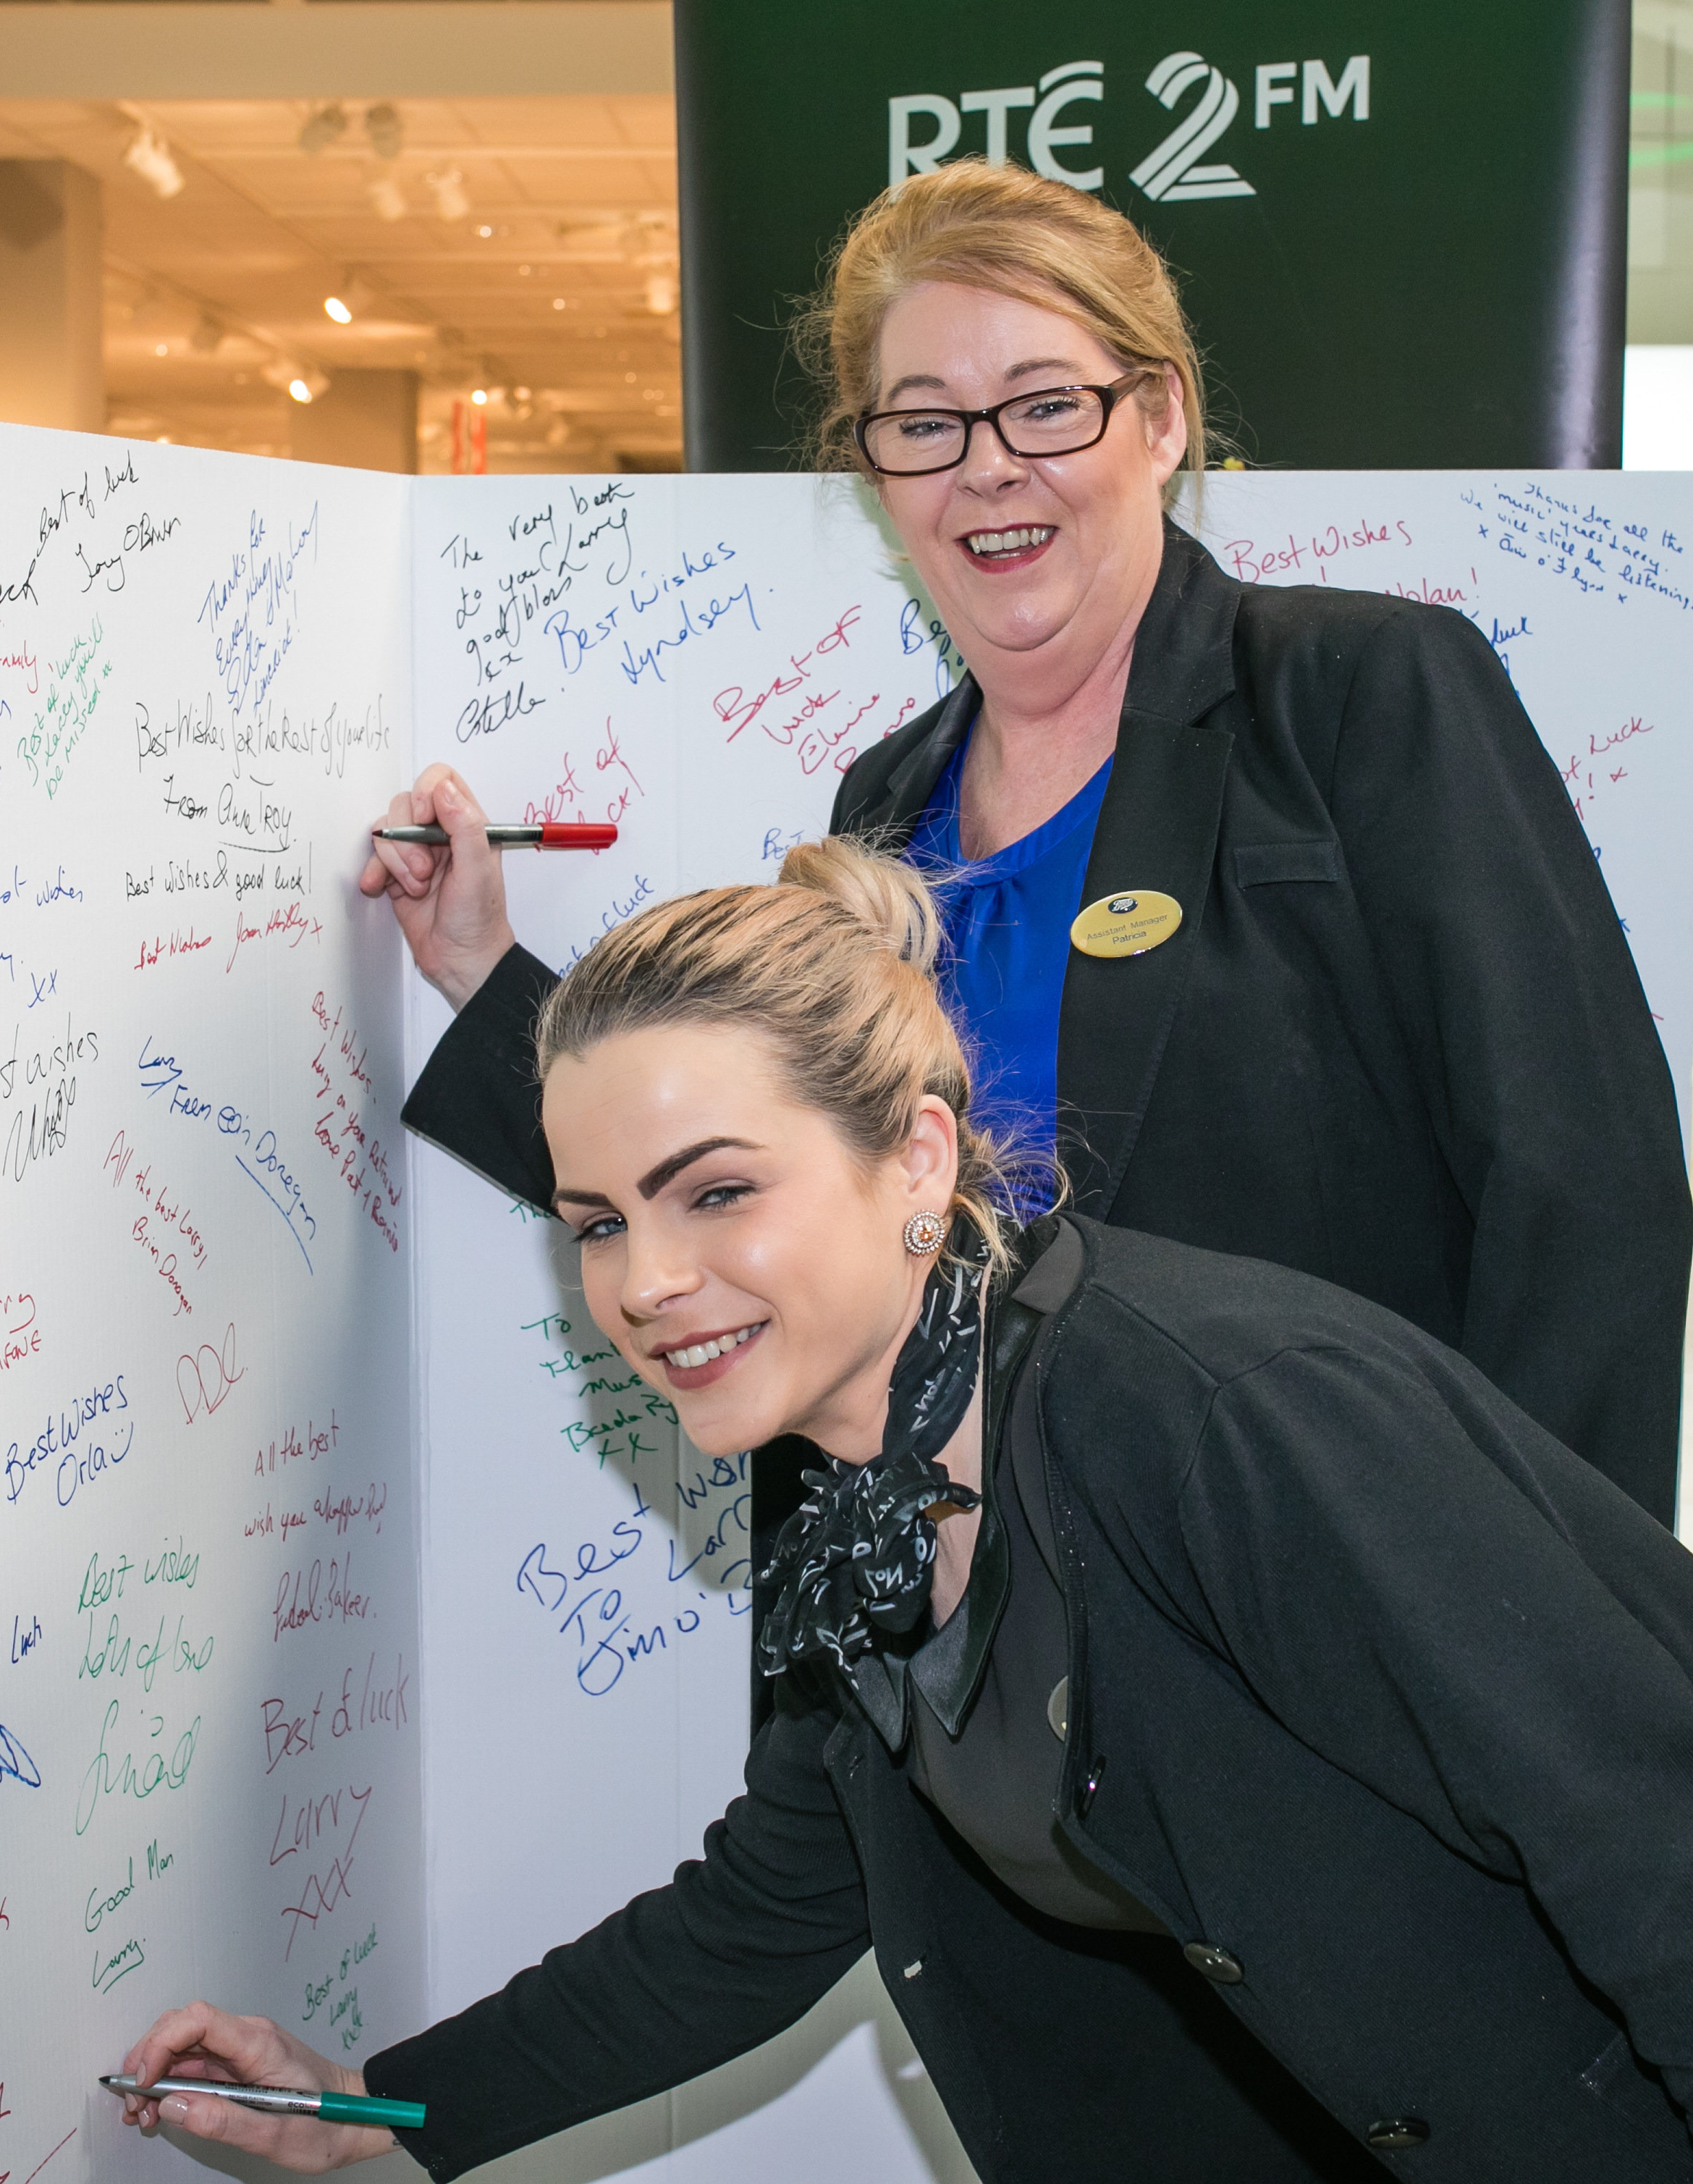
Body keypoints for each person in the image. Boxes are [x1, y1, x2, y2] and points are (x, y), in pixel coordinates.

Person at [119, 846, 1693, 2183]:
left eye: (717, 1192)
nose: (647, 1284)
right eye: (599, 1224)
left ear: (916, 1161)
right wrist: (379, 2113)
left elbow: (1652, 1846)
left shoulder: (1220, 1417)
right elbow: (769, 1911)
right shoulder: (859, 1490)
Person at [366, 159, 1689, 1540]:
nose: (988, 466)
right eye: (924, 424)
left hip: (1311, 1620)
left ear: (1161, 416)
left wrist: (1536, 1638)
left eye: (1048, 404)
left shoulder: (1359, 698)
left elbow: (1590, 1197)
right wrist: (478, 968)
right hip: (971, 1648)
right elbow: (768, 1184)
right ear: (875, 468)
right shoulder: (886, 799)